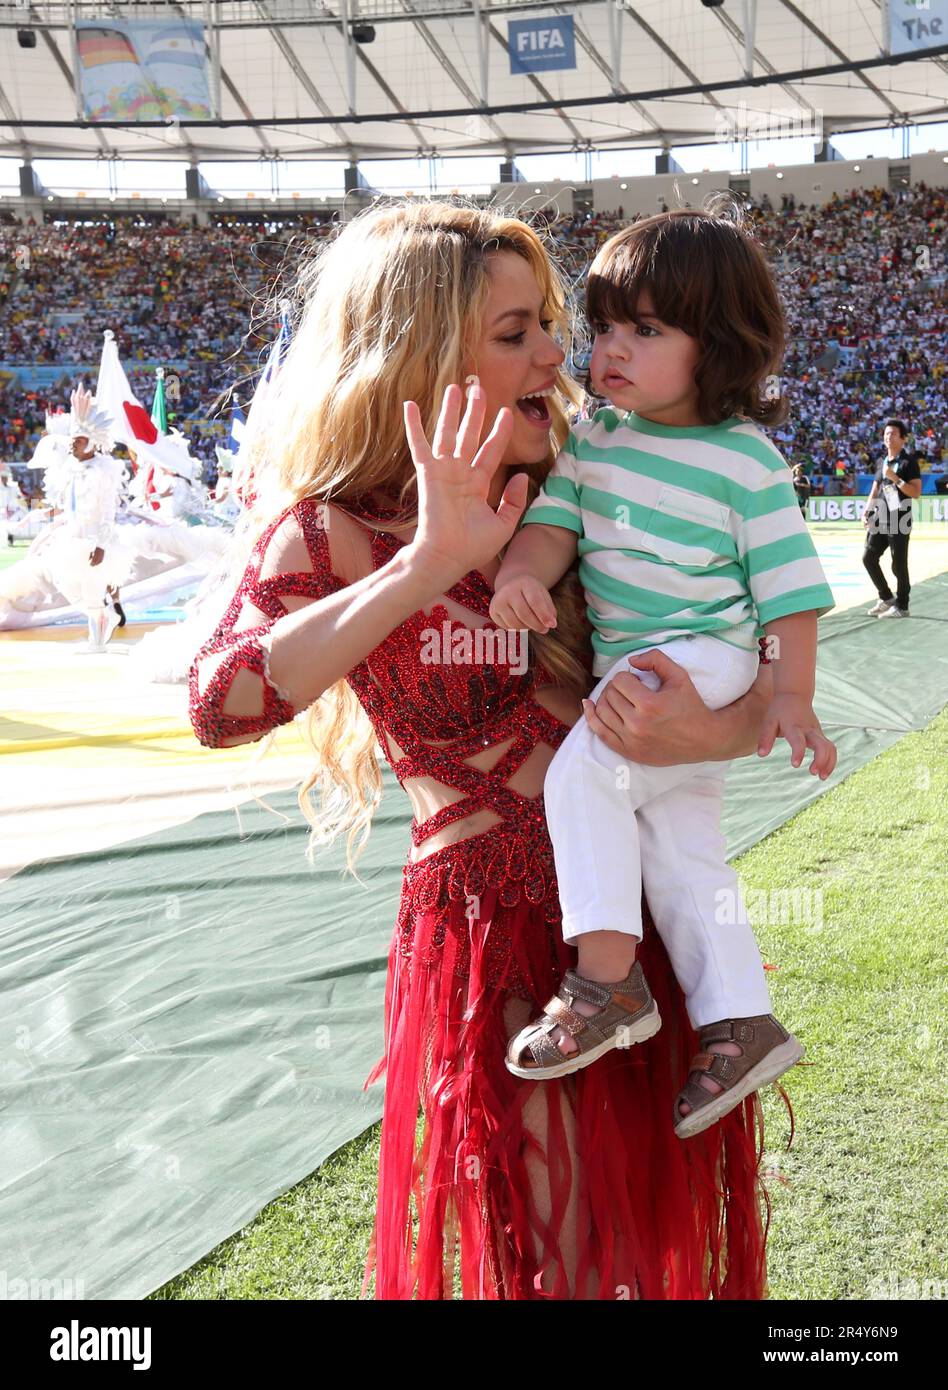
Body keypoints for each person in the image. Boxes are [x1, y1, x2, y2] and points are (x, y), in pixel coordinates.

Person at [188, 201, 781, 1300]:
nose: (559, 353)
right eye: (516, 332)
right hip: (497, 938)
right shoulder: (337, 529)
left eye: (551, 322)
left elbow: (743, 665)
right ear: (421, 353)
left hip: (640, 915)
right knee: (559, 1256)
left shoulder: (587, 475)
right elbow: (221, 704)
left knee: (656, 1252)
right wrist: (422, 564)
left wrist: (723, 726)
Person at [489, 208, 836, 1139]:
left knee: (584, 772)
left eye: (647, 330)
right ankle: (739, 1020)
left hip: (704, 656)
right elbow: (553, 527)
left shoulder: (745, 462)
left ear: (716, 346)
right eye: (604, 327)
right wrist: (522, 572)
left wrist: (791, 698)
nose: (611, 350)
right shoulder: (596, 441)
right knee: (685, 853)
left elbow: (791, 594)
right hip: (645, 665)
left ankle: (605, 980)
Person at [862, 419, 922, 618]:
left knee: (898, 563)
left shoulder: (909, 463)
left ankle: (902, 605)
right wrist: (867, 511)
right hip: (880, 517)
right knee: (868, 557)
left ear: (903, 439)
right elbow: (875, 489)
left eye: (893, 433)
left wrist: (897, 479)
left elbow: (915, 492)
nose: (888, 437)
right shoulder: (881, 461)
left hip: (900, 518)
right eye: (886, 433)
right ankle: (886, 597)